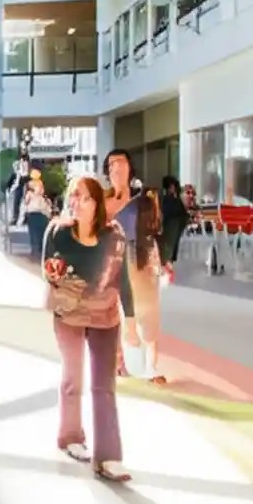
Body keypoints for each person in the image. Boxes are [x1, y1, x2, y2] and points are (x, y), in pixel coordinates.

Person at [42, 175, 135, 482]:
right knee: (73, 377)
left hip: (105, 317)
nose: (77, 203)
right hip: (68, 315)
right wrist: (59, 276)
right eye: (73, 197)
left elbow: (122, 279)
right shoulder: (57, 231)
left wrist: (131, 318)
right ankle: (70, 436)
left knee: (103, 386)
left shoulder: (114, 236)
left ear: (97, 203)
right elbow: (49, 271)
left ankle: (108, 457)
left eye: (84, 197)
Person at [104, 150, 165, 385]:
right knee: (116, 310)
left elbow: (155, 230)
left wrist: (160, 260)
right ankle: (120, 361)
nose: (115, 168)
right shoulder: (104, 202)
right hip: (114, 257)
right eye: (110, 165)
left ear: (130, 167)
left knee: (148, 309)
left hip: (141, 255)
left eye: (119, 162)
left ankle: (152, 365)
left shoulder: (144, 200)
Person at [19, 170, 51, 259]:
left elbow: (25, 201)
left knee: (33, 234)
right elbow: (43, 194)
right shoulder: (41, 185)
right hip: (42, 213)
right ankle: (42, 252)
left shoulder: (29, 187)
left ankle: (34, 252)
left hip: (32, 214)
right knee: (42, 234)